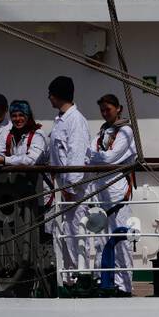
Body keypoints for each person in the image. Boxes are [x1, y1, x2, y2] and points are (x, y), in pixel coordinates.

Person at [85, 93, 138, 295]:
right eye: (102, 110)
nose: (105, 113)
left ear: (118, 108)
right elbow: (91, 155)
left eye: (108, 109)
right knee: (100, 241)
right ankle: (103, 281)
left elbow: (111, 157)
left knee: (121, 241)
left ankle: (124, 286)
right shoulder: (102, 132)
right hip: (100, 194)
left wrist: (97, 157)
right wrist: (99, 157)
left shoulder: (126, 132)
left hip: (118, 194)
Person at [47, 75, 90, 291]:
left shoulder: (75, 120)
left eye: (51, 94)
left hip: (74, 191)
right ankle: (68, 277)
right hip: (62, 190)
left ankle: (80, 277)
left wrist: (70, 187)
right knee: (64, 234)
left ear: (57, 95)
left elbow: (76, 154)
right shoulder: (61, 119)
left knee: (76, 233)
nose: (48, 98)